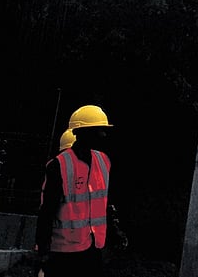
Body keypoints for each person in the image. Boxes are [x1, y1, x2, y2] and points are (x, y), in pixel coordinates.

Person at [35, 105, 123, 277]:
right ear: (83, 132)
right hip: (63, 251)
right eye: (99, 130)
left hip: (93, 247)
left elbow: (104, 202)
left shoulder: (103, 161)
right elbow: (47, 211)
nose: (104, 135)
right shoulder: (59, 165)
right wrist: (43, 251)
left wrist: (114, 230)